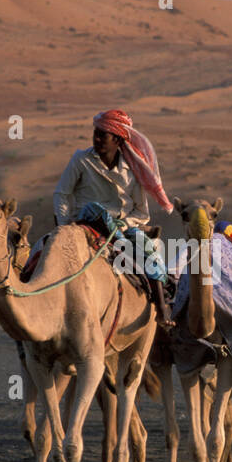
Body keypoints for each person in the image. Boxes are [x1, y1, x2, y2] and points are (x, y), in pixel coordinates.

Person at [53, 109, 176, 327]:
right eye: (96, 134)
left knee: (151, 254)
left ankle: (163, 308)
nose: (97, 139)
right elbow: (62, 194)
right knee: (95, 209)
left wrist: (123, 224)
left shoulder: (133, 169)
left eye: (103, 135)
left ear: (118, 139)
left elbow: (141, 212)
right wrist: (64, 226)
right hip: (87, 221)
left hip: (122, 228)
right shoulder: (81, 160)